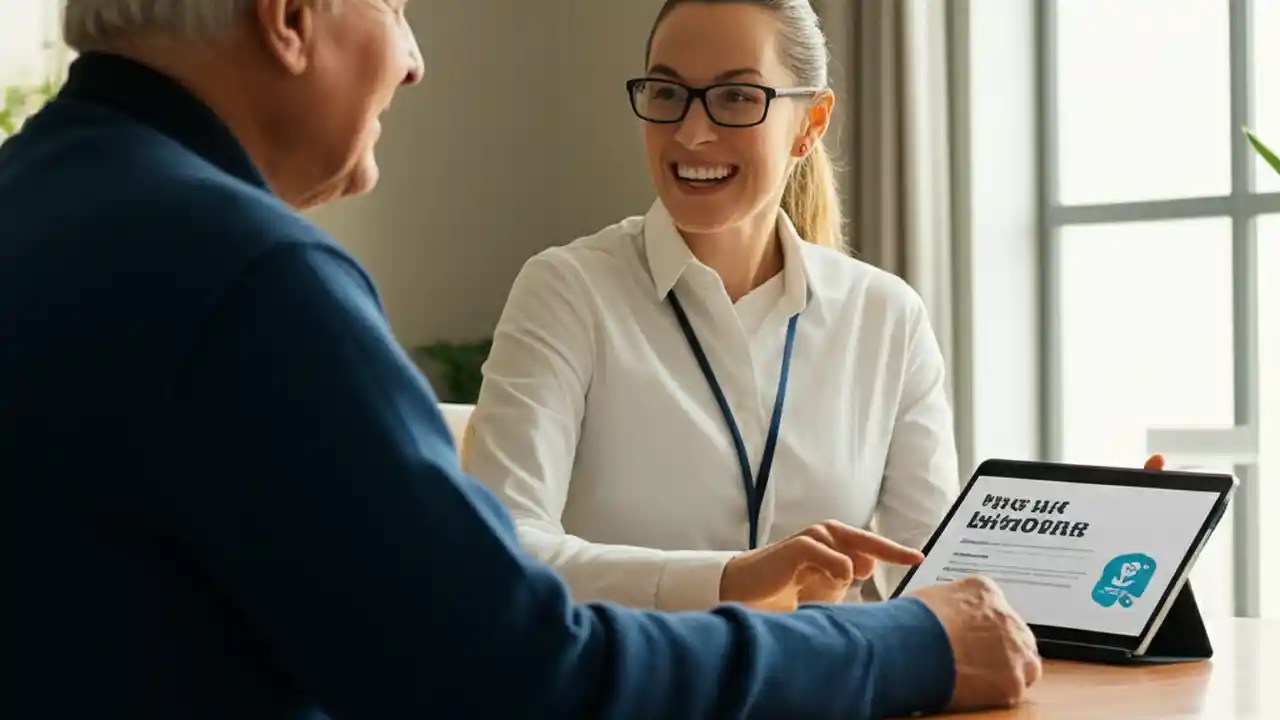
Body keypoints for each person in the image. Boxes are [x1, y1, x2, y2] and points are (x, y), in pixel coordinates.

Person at [4, 1, 1041, 718]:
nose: (413, 60)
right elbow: (511, 674)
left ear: (805, 124)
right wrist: (899, 648)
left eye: (734, 98)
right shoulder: (250, 277)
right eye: (398, 9)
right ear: (288, 18)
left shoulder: (39, 205)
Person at [465, 0, 957, 612]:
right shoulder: (568, 291)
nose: (692, 132)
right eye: (668, 92)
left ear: (811, 123)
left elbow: (934, 576)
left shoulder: (886, 317)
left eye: (736, 98)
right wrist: (733, 579)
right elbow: (500, 549)